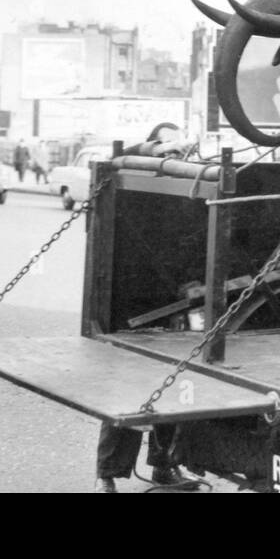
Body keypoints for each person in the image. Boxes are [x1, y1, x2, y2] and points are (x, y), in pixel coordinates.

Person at [94, 121, 194, 491]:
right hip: (132, 294)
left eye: (177, 145)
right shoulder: (137, 165)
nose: (174, 152)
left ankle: (165, 466)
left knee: (171, 385)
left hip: (169, 296)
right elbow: (118, 157)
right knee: (128, 390)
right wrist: (156, 150)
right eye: (164, 143)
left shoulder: (189, 181)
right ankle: (108, 473)